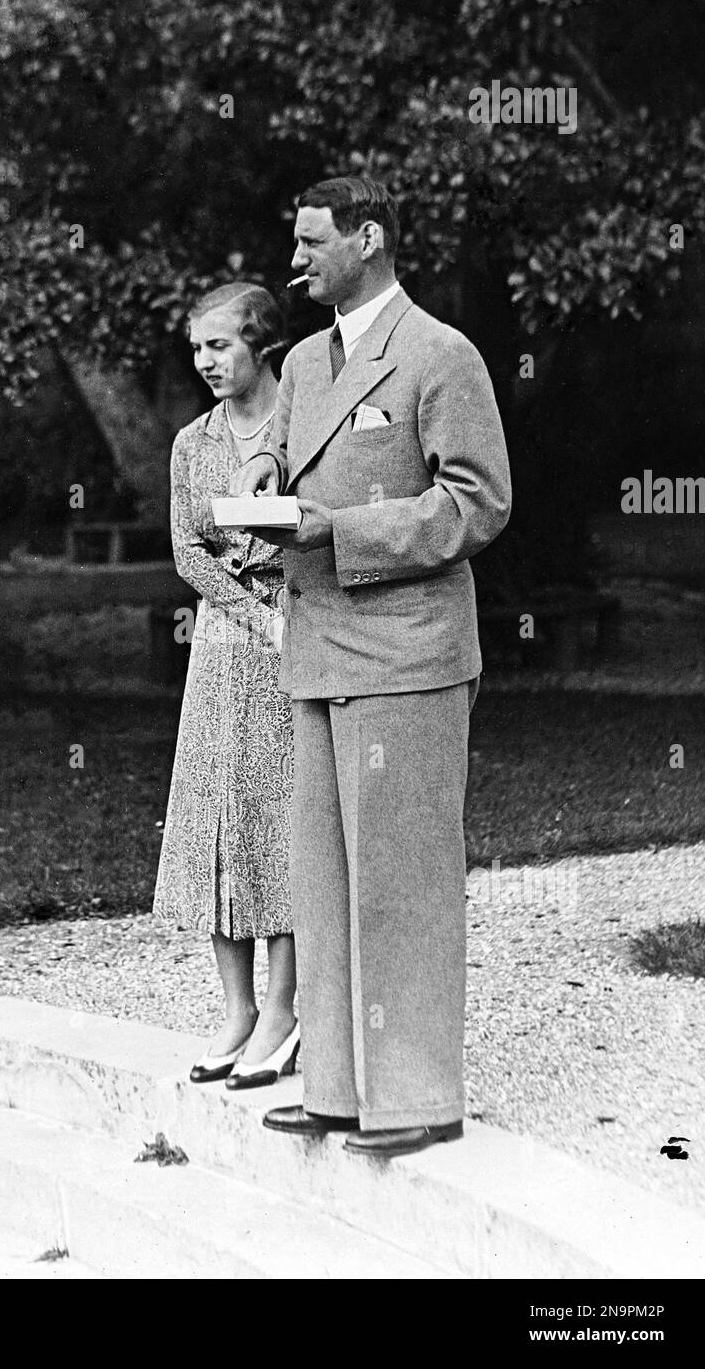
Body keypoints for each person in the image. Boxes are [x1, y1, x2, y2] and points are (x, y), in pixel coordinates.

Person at [231, 175, 511, 1155]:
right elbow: (287, 465)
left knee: (403, 879)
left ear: (371, 239)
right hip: (315, 648)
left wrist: (339, 528)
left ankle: (420, 1096)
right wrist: (264, 495)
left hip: (408, 655)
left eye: (313, 242)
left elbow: (478, 502)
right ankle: (342, 1091)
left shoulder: (441, 354)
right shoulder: (304, 362)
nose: (295, 260)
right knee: (328, 882)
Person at [153, 282, 300, 1089]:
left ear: (262, 345)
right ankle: (238, 1009)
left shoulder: (301, 425)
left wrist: (285, 620)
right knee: (217, 814)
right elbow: (188, 550)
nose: (207, 362)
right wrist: (253, 617)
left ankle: (285, 1009)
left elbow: (314, 522)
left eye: (221, 346)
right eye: (197, 349)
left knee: (279, 812)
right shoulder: (191, 443)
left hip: (300, 628)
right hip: (224, 640)